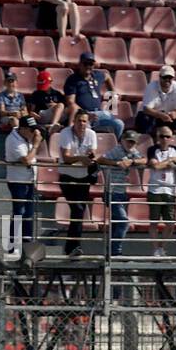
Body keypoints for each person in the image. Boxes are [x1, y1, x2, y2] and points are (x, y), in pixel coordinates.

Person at [55, 108, 98, 256]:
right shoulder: (65, 133)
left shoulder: (91, 134)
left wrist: (90, 157)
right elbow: (66, 158)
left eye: (84, 121)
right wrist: (81, 158)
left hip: (83, 177)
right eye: (79, 120)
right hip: (67, 177)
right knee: (78, 209)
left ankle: (72, 247)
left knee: (78, 211)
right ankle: (74, 246)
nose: (82, 124)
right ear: (74, 121)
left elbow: (92, 153)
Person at [98, 128, 143, 257]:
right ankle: (116, 251)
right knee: (123, 222)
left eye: (133, 142)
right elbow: (101, 160)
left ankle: (111, 250)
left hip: (121, 192)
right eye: (128, 141)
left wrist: (132, 161)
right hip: (111, 191)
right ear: (122, 141)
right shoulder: (117, 150)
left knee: (117, 223)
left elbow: (144, 160)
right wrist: (117, 163)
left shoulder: (132, 152)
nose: (130, 144)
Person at [4, 115, 42, 253]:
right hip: (17, 181)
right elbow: (26, 160)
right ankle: (12, 245)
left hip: (29, 180)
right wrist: (36, 144)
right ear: (24, 129)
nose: (34, 133)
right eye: (31, 130)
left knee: (29, 214)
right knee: (19, 212)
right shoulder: (13, 140)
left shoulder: (25, 135)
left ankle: (27, 246)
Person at [64, 52, 123, 138]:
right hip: (83, 115)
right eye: (85, 63)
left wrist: (113, 93)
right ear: (80, 64)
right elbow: (70, 102)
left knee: (119, 124)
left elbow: (107, 77)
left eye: (91, 64)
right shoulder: (73, 79)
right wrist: (86, 114)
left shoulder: (97, 75)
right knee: (85, 129)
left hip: (99, 113)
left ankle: (116, 146)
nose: (88, 66)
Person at [146, 124, 176, 256]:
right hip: (155, 189)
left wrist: (170, 161)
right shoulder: (152, 149)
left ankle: (161, 247)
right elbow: (156, 166)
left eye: (168, 136)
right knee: (154, 222)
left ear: (171, 138)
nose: (165, 139)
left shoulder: (175, 149)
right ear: (157, 137)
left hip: (170, 190)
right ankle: (155, 249)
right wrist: (169, 161)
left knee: (170, 223)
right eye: (162, 136)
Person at [135, 64, 176, 136]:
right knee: (144, 118)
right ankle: (144, 142)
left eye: (170, 78)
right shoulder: (151, 86)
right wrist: (160, 115)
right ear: (160, 77)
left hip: (169, 117)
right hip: (153, 116)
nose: (167, 80)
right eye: (165, 77)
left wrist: (175, 114)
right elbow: (146, 109)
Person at [29, 69, 66, 134]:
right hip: (41, 115)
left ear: (50, 82)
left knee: (69, 108)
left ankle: (54, 125)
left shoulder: (57, 94)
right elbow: (32, 111)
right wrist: (34, 115)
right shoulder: (36, 94)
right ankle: (53, 126)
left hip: (56, 116)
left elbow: (64, 108)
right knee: (60, 105)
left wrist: (54, 106)